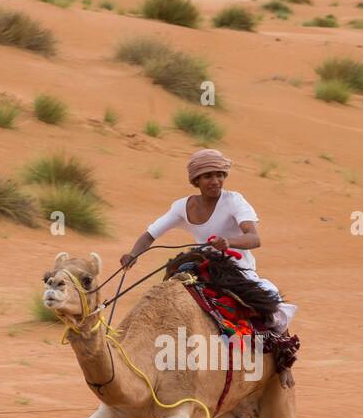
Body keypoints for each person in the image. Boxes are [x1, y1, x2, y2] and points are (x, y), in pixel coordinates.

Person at [122, 148, 297, 385]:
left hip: (239, 271)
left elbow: (254, 238)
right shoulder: (182, 207)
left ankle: (283, 359)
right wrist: (133, 254)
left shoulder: (234, 201)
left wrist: (228, 242)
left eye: (219, 175)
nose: (215, 181)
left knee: (270, 300)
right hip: (205, 268)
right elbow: (149, 235)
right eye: (207, 176)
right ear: (196, 181)